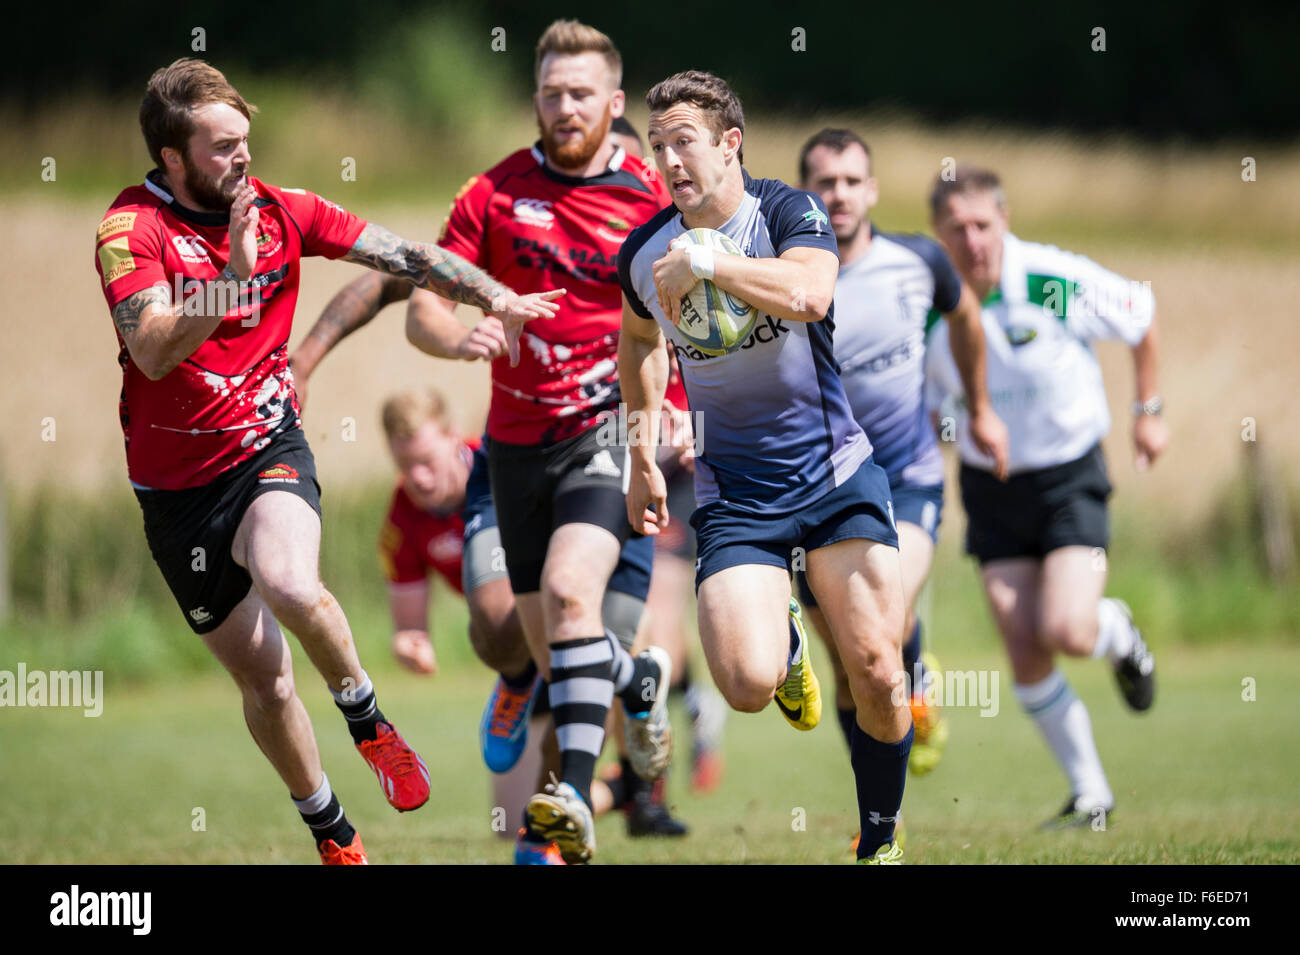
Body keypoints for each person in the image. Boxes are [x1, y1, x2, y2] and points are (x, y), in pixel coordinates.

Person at [95, 58, 561, 865]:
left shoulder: (284, 210)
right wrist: (230, 282)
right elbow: (152, 347)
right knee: (267, 683)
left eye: (247, 139)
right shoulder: (128, 230)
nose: (242, 157)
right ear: (171, 157)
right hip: (175, 492)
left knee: (290, 579)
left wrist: (493, 294)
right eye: (220, 147)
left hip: (267, 445)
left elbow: (404, 256)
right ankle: (332, 829)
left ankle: (366, 717)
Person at [619, 70, 913, 863]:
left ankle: (880, 838)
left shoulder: (786, 210)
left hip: (833, 474)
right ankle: (783, 640)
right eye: (658, 147)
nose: (670, 161)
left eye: (684, 142)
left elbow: (812, 294)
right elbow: (640, 341)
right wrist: (640, 449)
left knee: (881, 671)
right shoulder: (644, 253)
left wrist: (710, 265)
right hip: (735, 494)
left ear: (729, 144)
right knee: (746, 686)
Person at [925, 165, 1165, 827]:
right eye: (957, 229)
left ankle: (1119, 635)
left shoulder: (1049, 279)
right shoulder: (929, 304)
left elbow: (1140, 316)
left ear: (1004, 221)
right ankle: (1091, 796)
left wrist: (1149, 410)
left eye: (983, 225)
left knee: (1065, 627)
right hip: (991, 485)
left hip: (1068, 475)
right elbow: (925, 405)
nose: (972, 240)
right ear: (938, 235)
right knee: (1022, 641)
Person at [796, 128, 1009, 780]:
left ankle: (913, 673)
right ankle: (879, 812)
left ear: (873, 189)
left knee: (880, 624)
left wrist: (978, 407)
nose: (839, 194)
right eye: (825, 182)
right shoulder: (781, 279)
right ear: (804, 191)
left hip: (905, 478)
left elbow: (967, 318)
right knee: (846, 662)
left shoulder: (918, 262)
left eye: (851, 181)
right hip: (820, 489)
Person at [606, 113, 729, 794]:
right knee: (604, 620)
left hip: (677, 459)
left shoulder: (681, 237)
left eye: (636, 160)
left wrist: (678, 423)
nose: (631, 171)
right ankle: (682, 714)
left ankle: (644, 781)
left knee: (658, 615)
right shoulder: (593, 244)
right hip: (599, 450)